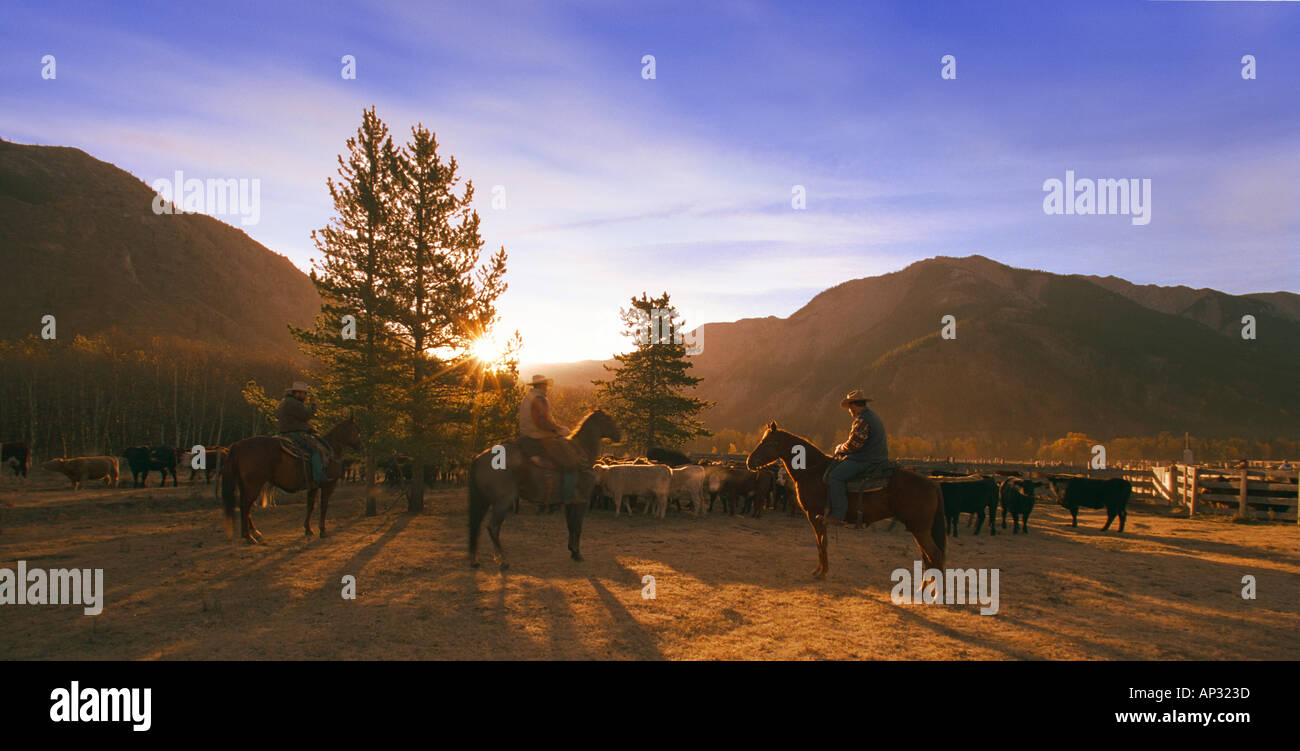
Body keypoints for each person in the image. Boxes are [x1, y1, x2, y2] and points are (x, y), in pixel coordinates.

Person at [824, 389, 889, 524]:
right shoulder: (873, 416)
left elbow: (854, 445)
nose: (849, 411)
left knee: (834, 476)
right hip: (879, 457)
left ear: (853, 405)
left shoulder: (862, 420)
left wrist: (839, 448)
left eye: (849, 407)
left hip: (866, 458)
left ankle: (838, 514)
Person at [517, 374, 584, 502]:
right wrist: (558, 429)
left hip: (527, 434)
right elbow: (542, 422)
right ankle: (568, 497)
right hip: (539, 436)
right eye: (545, 385)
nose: (547, 388)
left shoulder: (528, 398)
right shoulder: (540, 399)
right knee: (571, 464)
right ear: (541, 385)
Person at [277, 381, 327, 485]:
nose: (306, 397)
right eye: (305, 394)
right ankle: (318, 478)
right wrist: (313, 405)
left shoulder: (285, 402)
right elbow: (306, 416)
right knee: (316, 451)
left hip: (283, 432)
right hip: (294, 433)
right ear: (298, 393)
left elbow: (298, 419)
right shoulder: (295, 403)